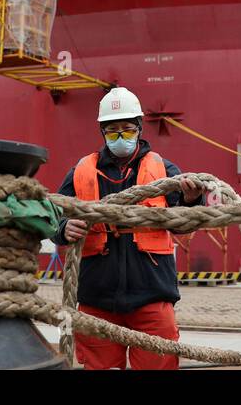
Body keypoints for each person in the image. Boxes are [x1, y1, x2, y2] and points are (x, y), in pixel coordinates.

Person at [52, 86, 203, 369]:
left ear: (139, 128)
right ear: (102, 132)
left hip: (152, 296)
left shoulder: (164, 170)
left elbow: (185, 225)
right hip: (96, 297)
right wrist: (63, 229)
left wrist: (191, 199)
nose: (120, 136)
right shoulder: (82, 171)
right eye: (112, 130)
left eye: (127, 129)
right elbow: (53, 213)